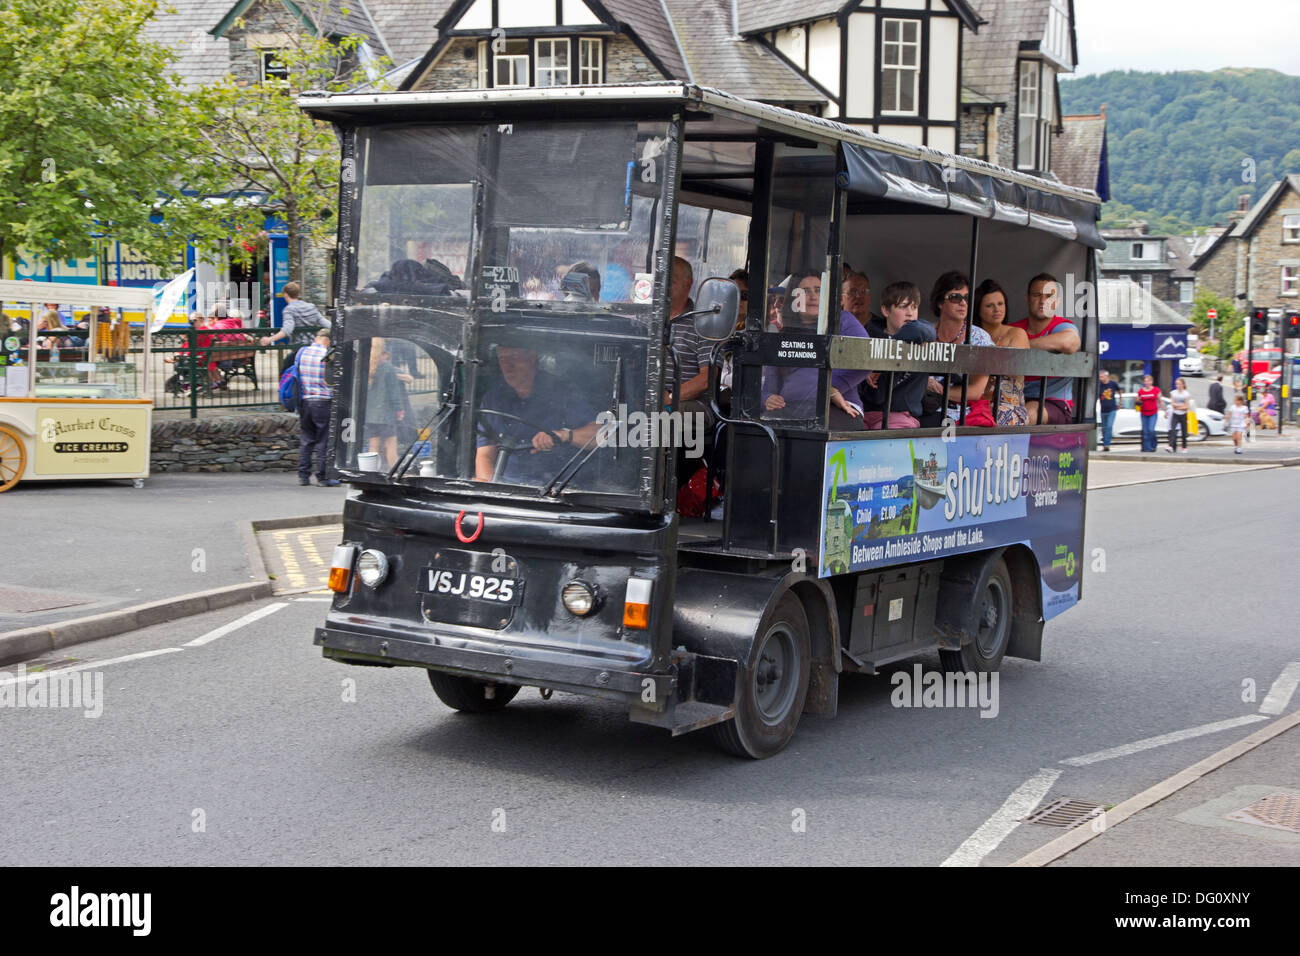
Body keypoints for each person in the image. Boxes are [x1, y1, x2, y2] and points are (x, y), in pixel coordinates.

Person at [475, 346, 602, 483]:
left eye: (513, 357)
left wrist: (562, 435)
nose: (507, 366)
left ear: (532, 358)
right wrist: (489, 489)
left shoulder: (563, 392)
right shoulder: (494, 399)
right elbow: (485, 455)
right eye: (502, 359)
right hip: (507, 489)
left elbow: (601, 435)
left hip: (556, 491)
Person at [762, 272, 870, 428]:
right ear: (794, 299)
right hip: (790, 408)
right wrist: (767, 398)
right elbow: (771, 384)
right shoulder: (784, 334)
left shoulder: (843, 320)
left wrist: (831, 389)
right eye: (805, 291)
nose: (813, 296)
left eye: (818, 290)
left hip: (838, 406)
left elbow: (865, 355)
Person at [859, 281, 937, 429]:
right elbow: (876, 395)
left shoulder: (922, 331)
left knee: (885, 431)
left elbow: (924, 330)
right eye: (903, 307)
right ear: (885, 310)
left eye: (914, 307)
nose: (910, 313)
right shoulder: (869, 334)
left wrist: (891, 353)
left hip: (901, 414)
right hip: (865, 412)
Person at [924, 271, 995, 427]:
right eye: (956, 298)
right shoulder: (925, 333)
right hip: (922, 409)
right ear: (940, 302)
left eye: (967, 298)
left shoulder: (979, 338)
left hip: (960, 413)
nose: (963, 303)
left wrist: (939, 391)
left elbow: (976, 391)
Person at [1011, 273, 1081, 424]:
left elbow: (1070, 342)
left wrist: (1022, 346)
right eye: (1037, 295)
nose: (1043, 301)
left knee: (1025, 414)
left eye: (1049, 296)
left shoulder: (1062, 326)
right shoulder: (1014, 329)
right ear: (1027, 299)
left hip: (1053, 403)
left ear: (1057, 301)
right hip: (1012, 398)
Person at [973, 279, 1029, 426]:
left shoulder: (1017, 333)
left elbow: (1013, 368)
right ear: (978, 309)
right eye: (989, 305)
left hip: (1008, 406)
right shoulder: (971, 335)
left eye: (1000, 304)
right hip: (973, 403)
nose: (997, 309)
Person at [297, 330, 338, 486]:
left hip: (305, 401)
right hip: (323, 401)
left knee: (306, 440)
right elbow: (333, 379)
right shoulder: (329, 356)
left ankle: (303, 476)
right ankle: (323, 476)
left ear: (316, 338)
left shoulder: (302, 352)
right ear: (328, 340)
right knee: (323, 440)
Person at [364, 338, 406, 469]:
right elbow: (394, 393)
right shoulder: (388, 367)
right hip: (386, 415)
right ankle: (395, 473)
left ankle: (370, 473)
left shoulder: (366, 366)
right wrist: (400, 411)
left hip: (370, 415)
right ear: (385, 352)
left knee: (373, 446)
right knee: (391, 446)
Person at [260, 281, 328, 347]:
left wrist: (269, 339)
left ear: (285, 294)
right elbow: (326, 323)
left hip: (298, 348)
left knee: (288, 359)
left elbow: (287, 329)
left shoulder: (289, 310)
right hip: (313, 346)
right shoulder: (311, 307)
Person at [1166, 376, 1192, 453]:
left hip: (1183, 415)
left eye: (1180, 384)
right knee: (1173, 430)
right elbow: (1172, 404)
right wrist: (1181, 405)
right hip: (1175, 414)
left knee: (1184, 433)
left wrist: (1178, 406)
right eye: (1177, 384)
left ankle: (1184, 447)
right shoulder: (1173, 393)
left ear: (1183, 384)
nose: (1178, 386)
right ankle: (1170, 446)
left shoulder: (1186, 394)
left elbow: (1187, 406)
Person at [1136, 373, 1162, 453]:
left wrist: (1165, 410)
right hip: (1144, 413)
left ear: (1151, 382)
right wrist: (1137, 401)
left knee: (1151, 430)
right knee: (1145, 431)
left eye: (1148, 381)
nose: (1146, 383)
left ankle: (1154, 445)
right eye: (1145, 381)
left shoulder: (1156, 390)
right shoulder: (1141, 391)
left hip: (1153, 412)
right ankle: (1147, 449)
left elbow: (1160, 401)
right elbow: (1137, 401)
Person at [1097, 369, 1120, 451]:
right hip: (1103, 410)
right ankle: (1104, 445)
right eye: (1099, 377)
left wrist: (1120, 403)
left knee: (1109, 426)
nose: (1100, 378)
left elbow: (1120, 391)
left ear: (1106, 376)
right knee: (1104, 428)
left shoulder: (1113, 384)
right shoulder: (1099, 385)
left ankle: (1107, 444)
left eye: (1102, 376)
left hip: (1112, 409)